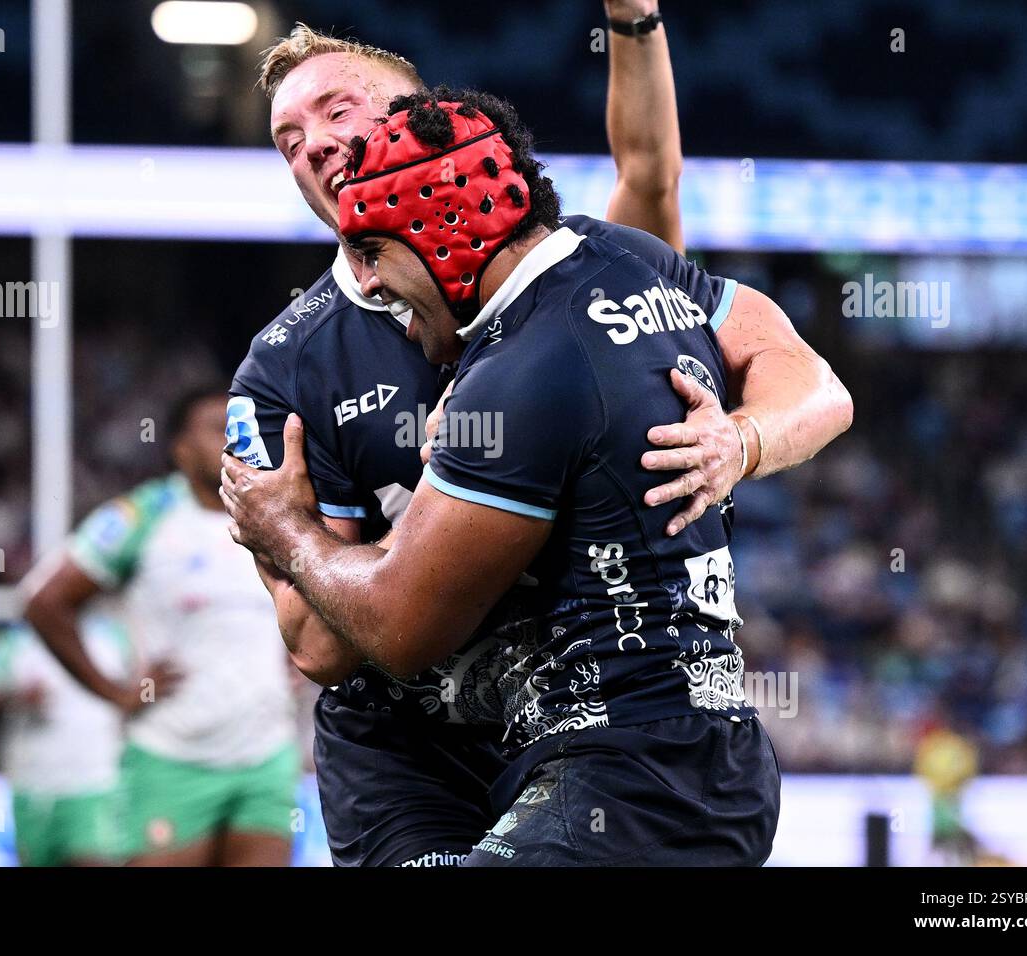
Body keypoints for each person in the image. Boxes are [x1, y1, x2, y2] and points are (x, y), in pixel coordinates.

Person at [223, 90, 853, 865]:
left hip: (633, 773)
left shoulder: (523, 370)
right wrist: (746, 440)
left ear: (442, 236)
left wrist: (283, 531)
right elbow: (816, 381)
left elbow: (399, 626)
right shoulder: (627, 259)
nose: (374, 285)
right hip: (681, 755)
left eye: (376, 253)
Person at [230, 6, 696, 867]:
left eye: (339, 111)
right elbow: (318, 644)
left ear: (427, 119)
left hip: (576, 721)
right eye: (288, 140)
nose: (314, 145)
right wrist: (449, 513)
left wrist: (743, 436)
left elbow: (652, 185)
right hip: (409, 751)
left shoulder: (567, 291)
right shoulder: (284, 369)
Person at [24, 388, 299, 867]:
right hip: (171, 756)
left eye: (237, 426)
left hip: (266, 756)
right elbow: (46, 602)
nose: (231, 438)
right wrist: (116, 694)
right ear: (180, 448)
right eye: (216, 427)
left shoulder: (276, 516)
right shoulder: (143, 515)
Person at [0, 618, 130, 867]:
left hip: (97, 785)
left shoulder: (114, 636)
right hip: (31, 790)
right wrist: (12, 697)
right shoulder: (11, 642)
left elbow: (144, 690)